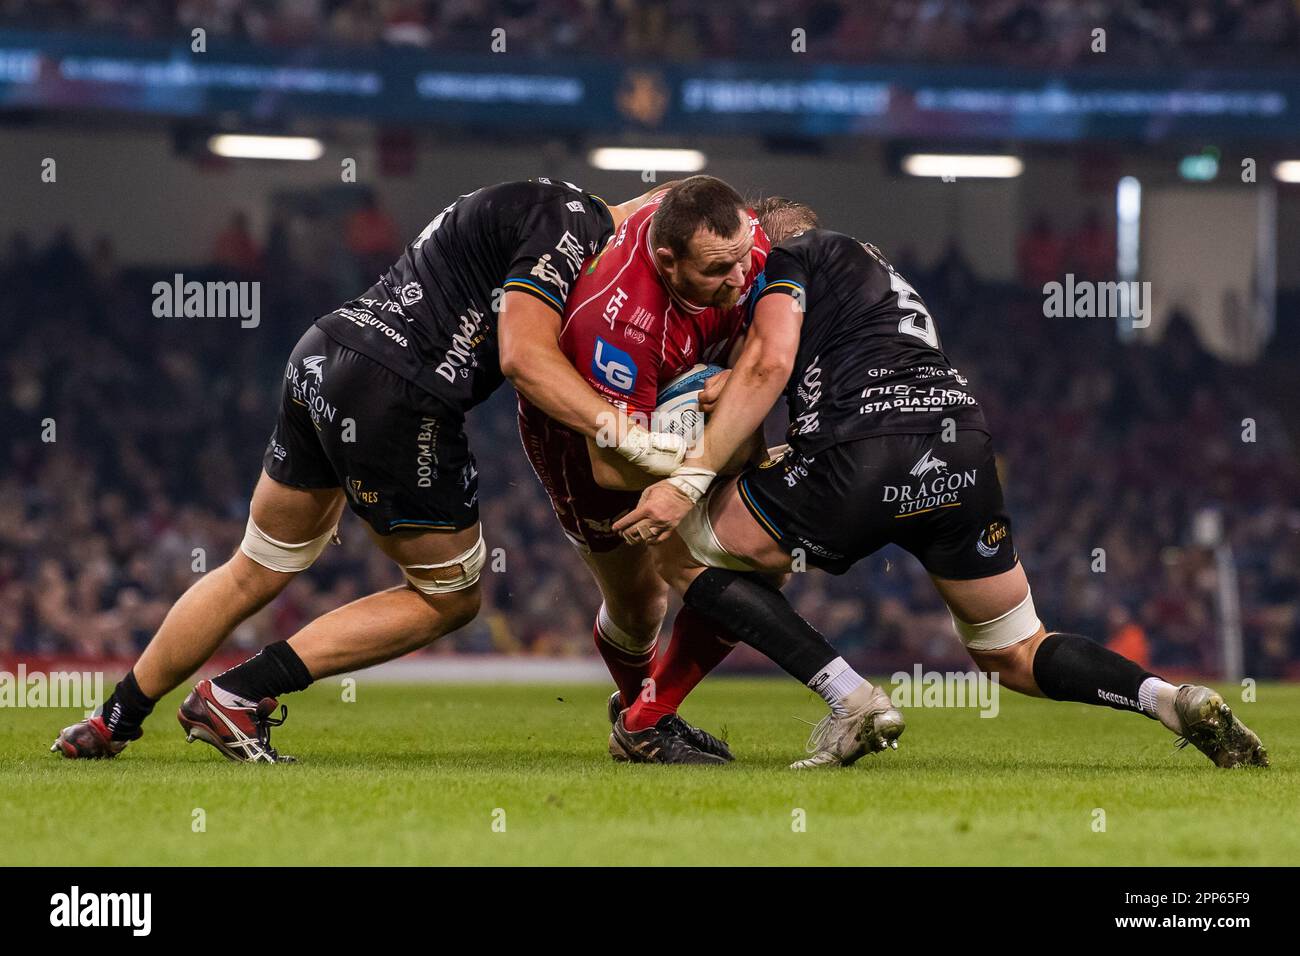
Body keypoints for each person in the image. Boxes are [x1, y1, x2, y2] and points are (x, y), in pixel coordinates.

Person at [615, 197, 1269, 771]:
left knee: (682, 549)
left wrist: (688, 476)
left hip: (867, 452)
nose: (736, 279)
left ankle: (852, 699)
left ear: (764, 237)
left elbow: (771, 364)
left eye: (741, 262)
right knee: (1014, 650)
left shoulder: (794, 256)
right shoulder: (877, 280)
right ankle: (1165, 700)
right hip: (961, 450)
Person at [53, 179, 686, 763]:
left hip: (326, 353)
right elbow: (525, 358)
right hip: (399, 392)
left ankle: (112, 719)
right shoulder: (576, 228)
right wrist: (625, 431)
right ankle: (238, 694)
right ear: (655, 232)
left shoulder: (535, 202)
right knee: (449, 598)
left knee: (254, 568)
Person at [518, 175, 769, 763]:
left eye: (742, 259)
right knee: (641, 608)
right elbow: (611, 469)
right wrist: (714, 459)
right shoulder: (618, 321)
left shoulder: (738, 240)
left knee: (759, 554)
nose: (739, 279)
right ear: (666, 260)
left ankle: (646, 720)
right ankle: (642, 714)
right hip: (586, 441)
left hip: (679, 410)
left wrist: (736, 375)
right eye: (716, 271)